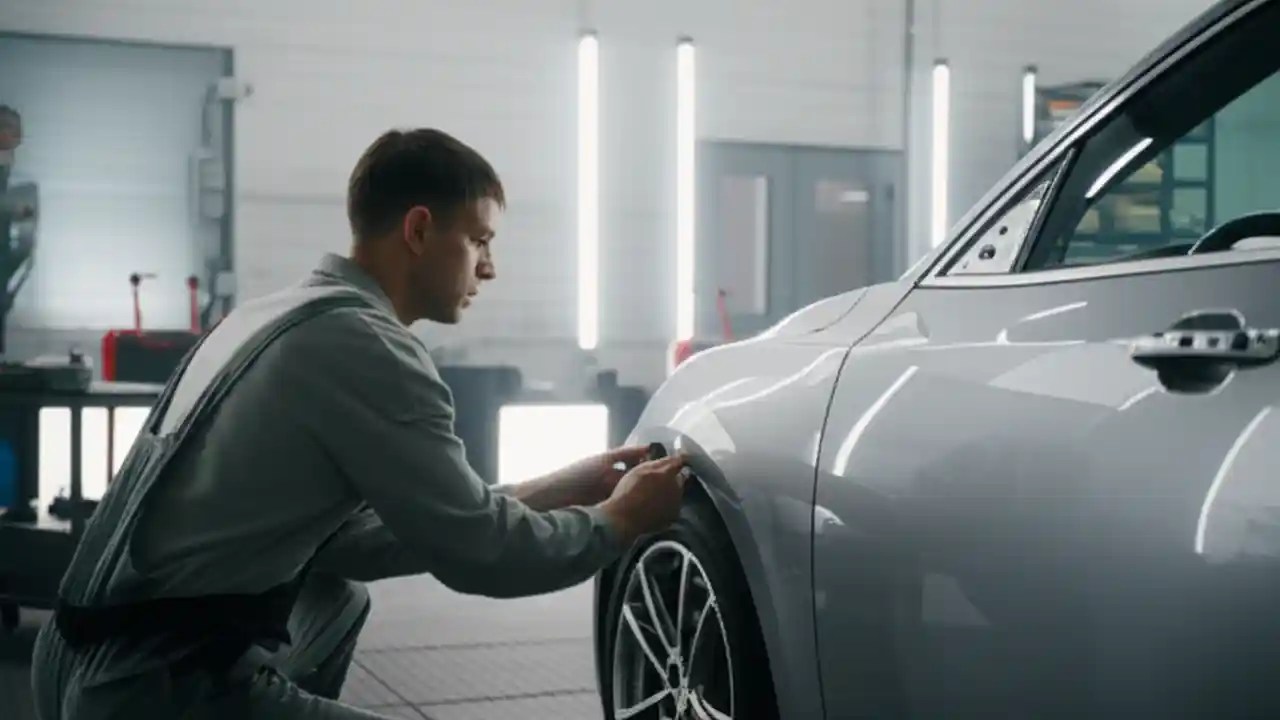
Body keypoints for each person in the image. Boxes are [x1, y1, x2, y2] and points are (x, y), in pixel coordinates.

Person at [30, 127, 689, 719]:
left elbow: (352, 542)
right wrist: (620, 521)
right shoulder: (368, 348)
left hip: (71, 658)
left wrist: (560, 485)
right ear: (420, 229)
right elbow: (483, 555)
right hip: (153, 684)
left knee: (336, 597)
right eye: (480, 241)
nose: (489, 268)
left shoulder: (271, 315)